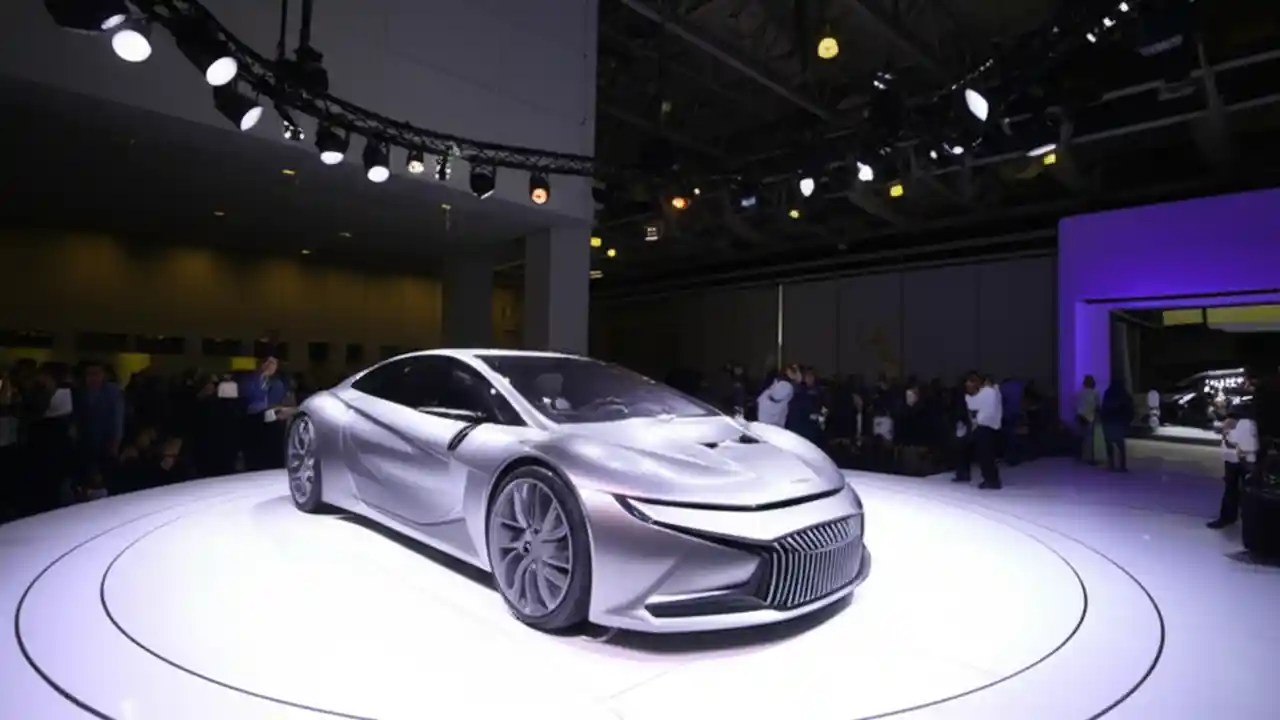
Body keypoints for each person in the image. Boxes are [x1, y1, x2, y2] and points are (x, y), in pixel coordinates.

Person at [238, 353, 293, 471]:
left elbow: (282, 401)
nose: (272, 366)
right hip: (254, 424)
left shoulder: (278, 383)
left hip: (274, 424)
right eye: (269, 363)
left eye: (274, 364)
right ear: (262, 364)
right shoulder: (249, 381)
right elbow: (247, 402)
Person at [1208, 410, 1258, 529]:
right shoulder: (1233, 431)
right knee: (1232, 488)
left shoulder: (1246, 427)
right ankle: (1229, 517)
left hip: (1245, 460)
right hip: (1234, 459)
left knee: (1246, 489)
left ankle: (1246, 520)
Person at [956, 372, 1002, 489]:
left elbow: (973, 404)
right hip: (989, 426)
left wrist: (967, 397)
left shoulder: (988, 392)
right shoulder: (993, 392)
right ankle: (991, 479)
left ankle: (991, 480)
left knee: (986, 455)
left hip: (985, 426)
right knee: (987, 455)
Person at [1099, 380, 1134, 472]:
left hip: (1109, 421)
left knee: (1109, 443)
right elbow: (1129, 408)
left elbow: (1104, 407)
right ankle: (1122, 465)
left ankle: (1111, 464)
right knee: (1120, 444)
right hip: (1119, 422)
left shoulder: (1108, 393)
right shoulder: (1124, 394)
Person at [1076, 375, 1101, 464]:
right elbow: (1098, 406)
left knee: (1081, 437)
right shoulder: (1095, 393)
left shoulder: (1079, 393)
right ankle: (1090, 458)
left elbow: (1077, 404)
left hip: (1080, 416)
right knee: (1090, 439)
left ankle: (1079, 456)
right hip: (1090, 417)